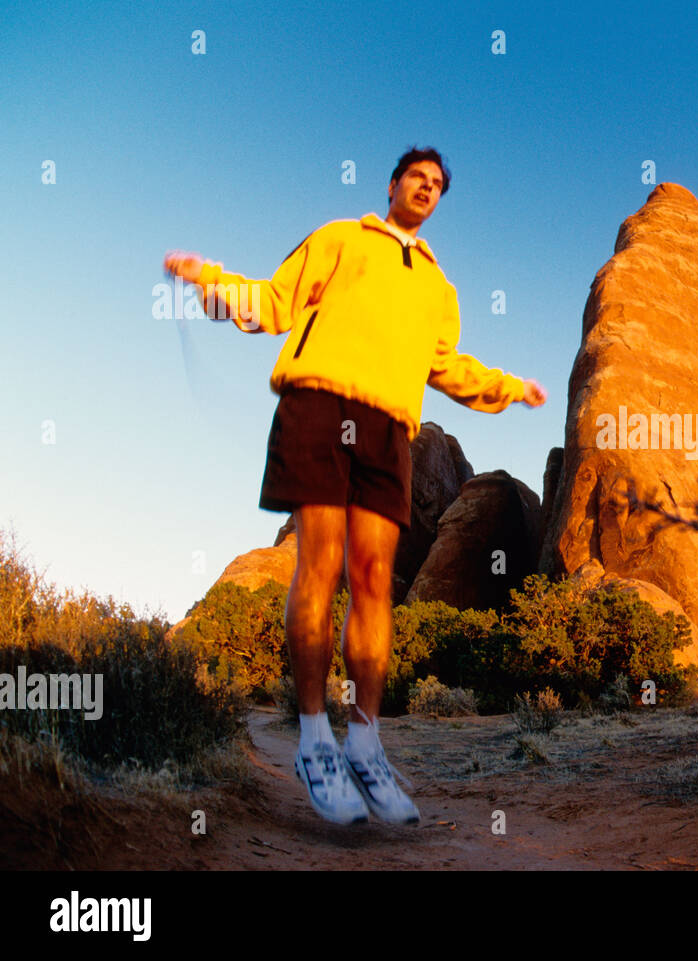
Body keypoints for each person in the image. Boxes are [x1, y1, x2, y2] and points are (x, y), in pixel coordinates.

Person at [163, 146, 546, 825]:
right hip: (318, 403)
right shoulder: (340, 238)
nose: (425, 190)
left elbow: (448, 368)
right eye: (417, 179)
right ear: (394, 184)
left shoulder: (440, 289)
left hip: (388, 428)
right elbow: (275, 303)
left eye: (436, 186)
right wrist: (212, 281)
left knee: (373, 578)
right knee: (321, 562)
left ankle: (365, 740)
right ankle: (314, 738)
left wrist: (510, 388)